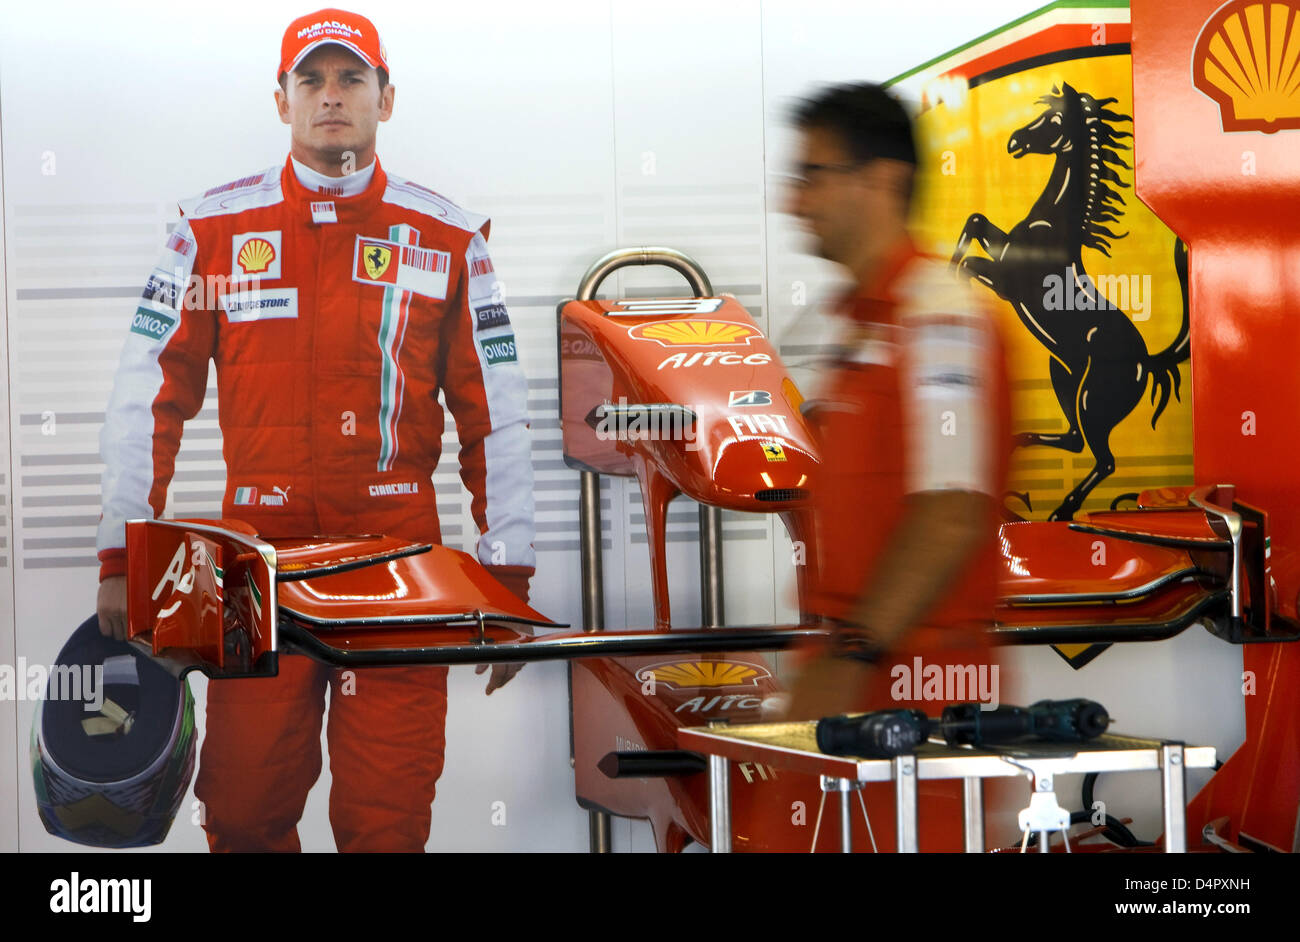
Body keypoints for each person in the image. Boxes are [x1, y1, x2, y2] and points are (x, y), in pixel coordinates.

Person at [94, 8, 536, 852]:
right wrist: (122, 552)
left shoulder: (449, 238)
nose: (331, 96)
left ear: (386, 98)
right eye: (312, 80)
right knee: (244, 813)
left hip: (403, 570)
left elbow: (498, 415)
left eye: (351, 79)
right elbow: (146, 395)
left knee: (385, 825)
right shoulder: (208, 231)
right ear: (283, 99)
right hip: (255, 566)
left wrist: (506, 569)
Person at [782, 83, 1012, 850]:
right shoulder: (839, 326)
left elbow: (952, 511)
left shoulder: (940, 314)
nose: (794, 200)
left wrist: (853, 656)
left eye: (813, 175)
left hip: (917, 684)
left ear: (881, 181)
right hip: (849, 670)